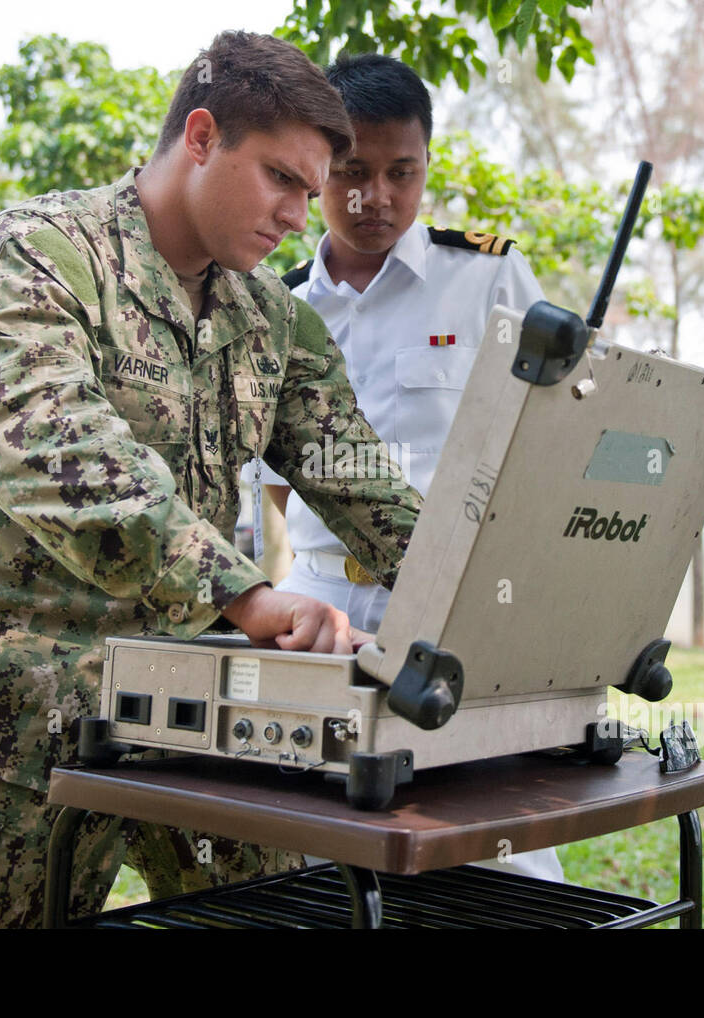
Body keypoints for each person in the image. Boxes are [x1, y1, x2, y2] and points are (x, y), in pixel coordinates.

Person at [0, 31, 422, 929]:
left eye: (310, 187)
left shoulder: (273, 320)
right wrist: (246, 596)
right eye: (283, 180)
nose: (302, 213)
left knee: (292, 918)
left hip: (200, 721)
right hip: (18, 725)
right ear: (203, 136)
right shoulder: (36, 257)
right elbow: (58, 456)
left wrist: (502, 593)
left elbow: (367, 485)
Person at [245, 53, 564, 884]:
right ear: (318, 171)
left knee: (495, 838)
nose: (375, 197)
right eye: (350, 172)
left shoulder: (487, 275)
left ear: (427, 165)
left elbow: (550, 430)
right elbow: (270, 491)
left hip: (453, 598)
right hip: (318, 608)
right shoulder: (275, 304)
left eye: (401, 172)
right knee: (323, 843)